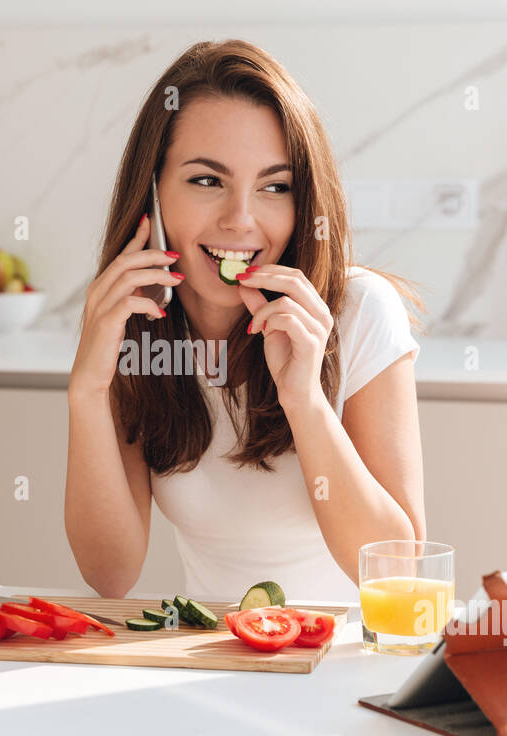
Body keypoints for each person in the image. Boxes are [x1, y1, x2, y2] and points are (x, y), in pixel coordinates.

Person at [65, 39, 426, 603]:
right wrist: (87, 389)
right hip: (213, 661)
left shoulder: (358, 313)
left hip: (344, 665)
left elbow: (398, 574)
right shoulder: (133, 324)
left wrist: (304, 400)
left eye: (274, 187)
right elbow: (111, 574)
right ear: (153, 191)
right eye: (207, 181)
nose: (241, 220)